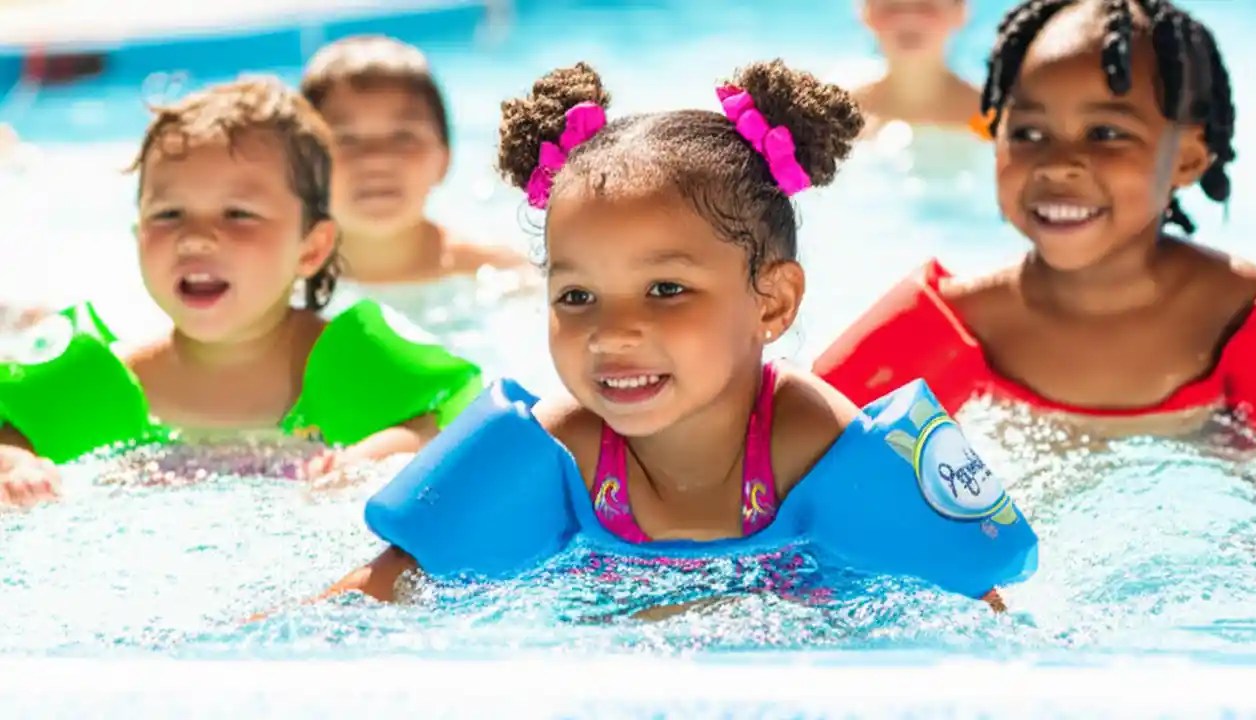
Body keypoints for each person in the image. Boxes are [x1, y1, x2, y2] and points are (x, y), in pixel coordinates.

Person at [306, 59, 1034, 611]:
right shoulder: (566, 446)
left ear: (772, 302)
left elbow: (978, 621)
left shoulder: (808, 443)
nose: (612, 331)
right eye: (577, 296)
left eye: (666, 289)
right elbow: (363, 604)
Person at [0, 78, 483, 508]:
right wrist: (16, 465)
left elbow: (450, 421)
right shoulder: (102, 385)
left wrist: (374, 457)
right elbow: (11, 433)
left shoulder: (354, 366)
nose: (196, 238)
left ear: (311, 249)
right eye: (169, 215)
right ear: (137, 235)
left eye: (238, 214)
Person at [815, 0, 1256, 438]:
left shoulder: (1246, 319)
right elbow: (785, 466)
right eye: (1028, 133)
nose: (1057, 164)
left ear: (1188, 158)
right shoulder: (952, 324)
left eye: (1105, 133)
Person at [300, 35, 528, 289]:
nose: (376, 159)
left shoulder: (504, 274)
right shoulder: (281, 284)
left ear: (444, 160)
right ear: (304, 166)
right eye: (345, 140)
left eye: (403, 137)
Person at [847, 0, 987, 139]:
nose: (908, 20)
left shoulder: (993, 117)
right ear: (866, 13)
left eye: (925, 5)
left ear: (960, 12)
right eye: (892, 7)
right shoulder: (843, 116)